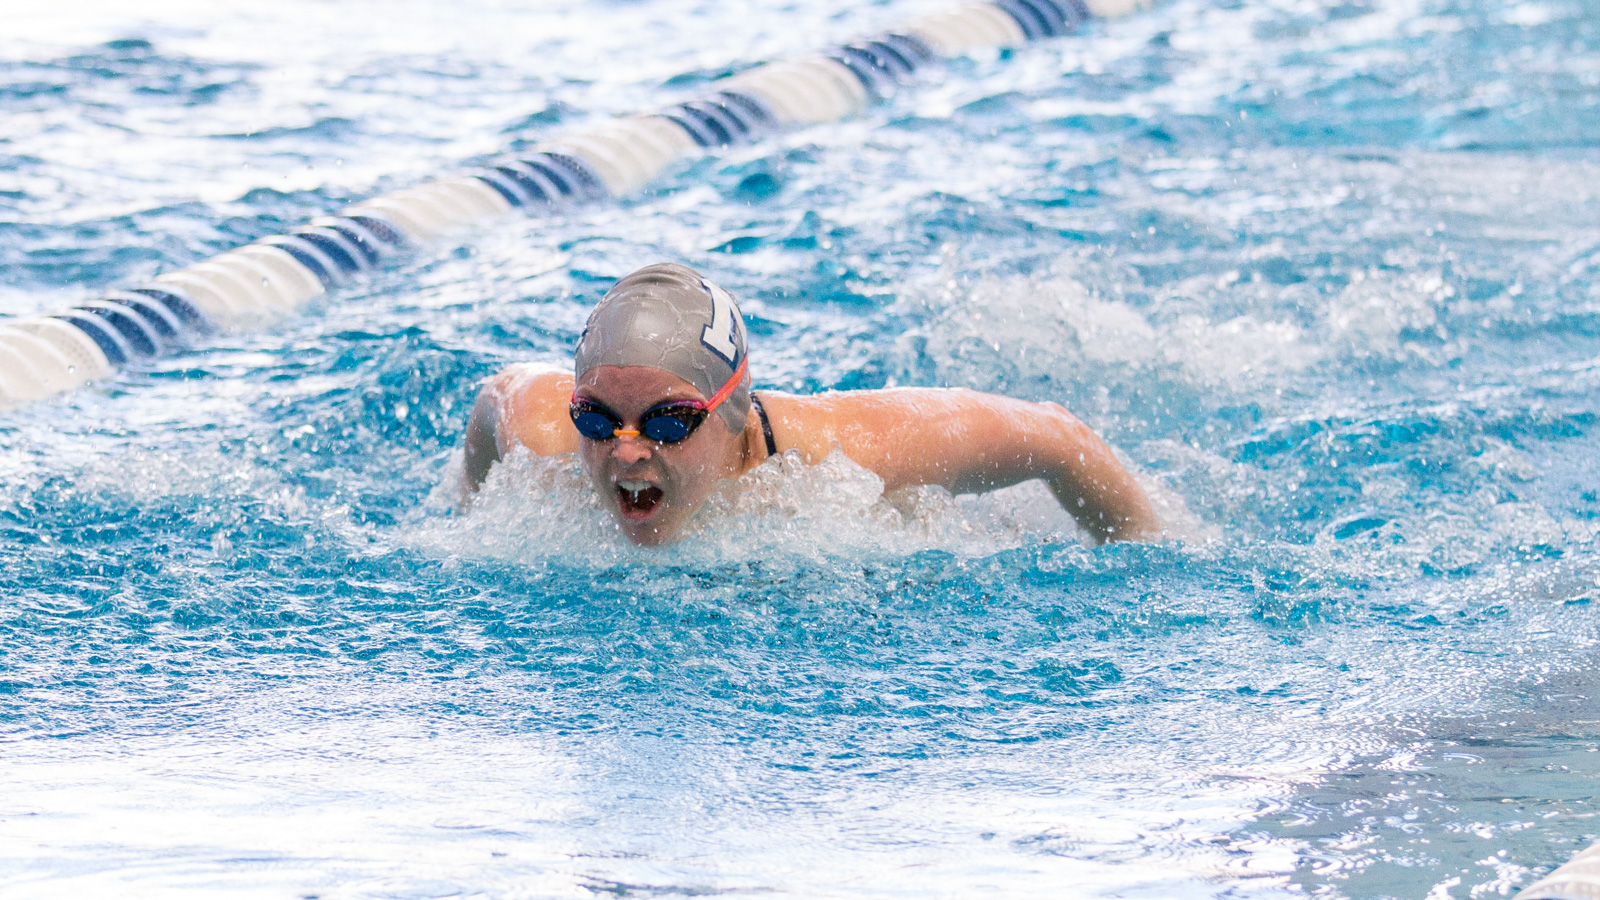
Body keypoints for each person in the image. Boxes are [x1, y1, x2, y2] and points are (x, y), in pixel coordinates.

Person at [462, 263, 1159, 547]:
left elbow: (1060, 437)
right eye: (596, 418)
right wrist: (468, 506)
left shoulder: (845, 456)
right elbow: (494, 400)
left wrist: (1151, 559)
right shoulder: (547, 436)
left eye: (671, 421)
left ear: (733, 410)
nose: (627, 450)